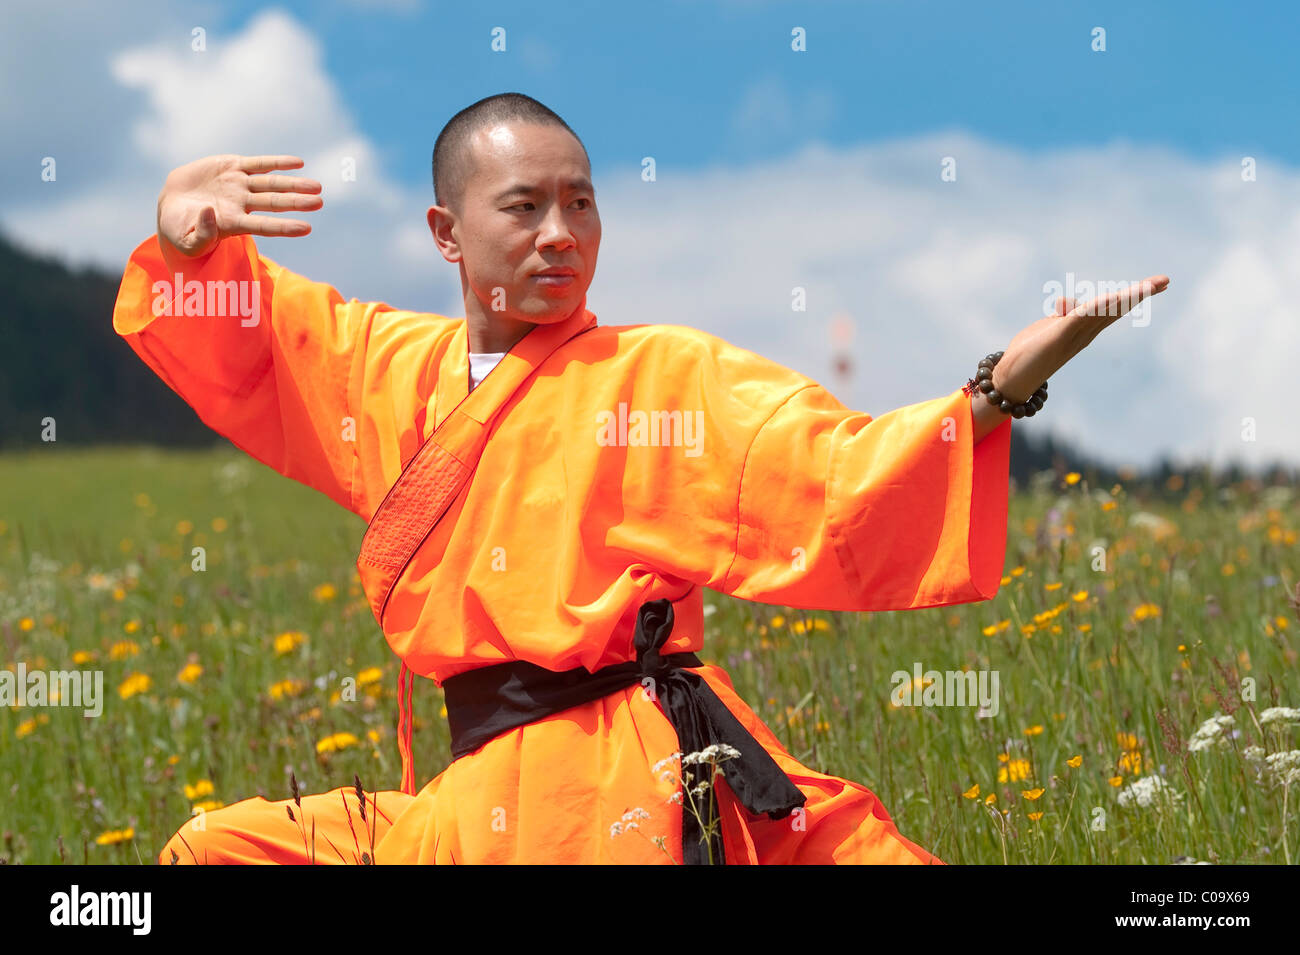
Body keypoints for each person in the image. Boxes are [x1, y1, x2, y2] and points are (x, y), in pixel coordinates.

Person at [113, 92, 1169, 864]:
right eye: (522, 208)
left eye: (580, 203)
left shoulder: (657, 375)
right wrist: (186, 246)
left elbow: (831, 474)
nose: (560, 235)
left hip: (625, 778)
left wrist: (994, 390)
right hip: (473, 791)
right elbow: (254, 347)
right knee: (213, 851)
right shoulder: (386, 371)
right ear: (446, 233)